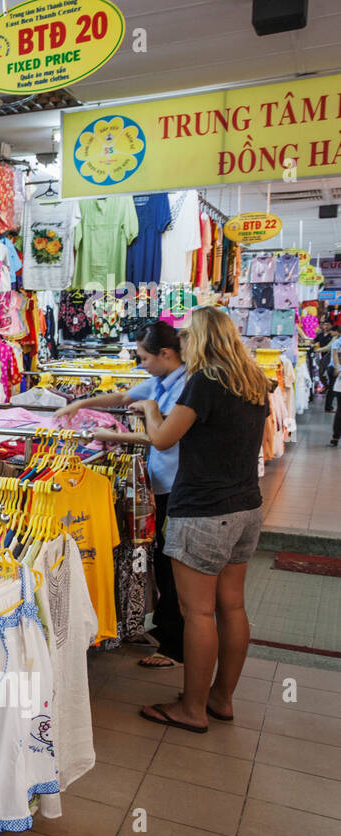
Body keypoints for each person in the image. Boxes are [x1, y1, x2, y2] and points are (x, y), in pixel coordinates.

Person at [131, 307, 269, 733]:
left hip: (205, 511)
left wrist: (151, 408)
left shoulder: (206, 381)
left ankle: (191, 709)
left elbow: (162, 437)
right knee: (232, 607)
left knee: (199, 614)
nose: (183, 341)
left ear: (204, 338)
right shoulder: (253, 380)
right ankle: (220, 699)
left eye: (188, 335)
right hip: (246, 506)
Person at [55, 322, 187, 667]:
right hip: (161, 482)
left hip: (178, 484)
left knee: (172, 564)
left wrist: (105, 431)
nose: (140, 364)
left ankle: (174, 644)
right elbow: (123, 396)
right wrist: (78, 404)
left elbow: (163, 436)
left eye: (143, 357)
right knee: (157, 556)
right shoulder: (161, 381)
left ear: (166, 354)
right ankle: (162, 628)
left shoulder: (185, 386)